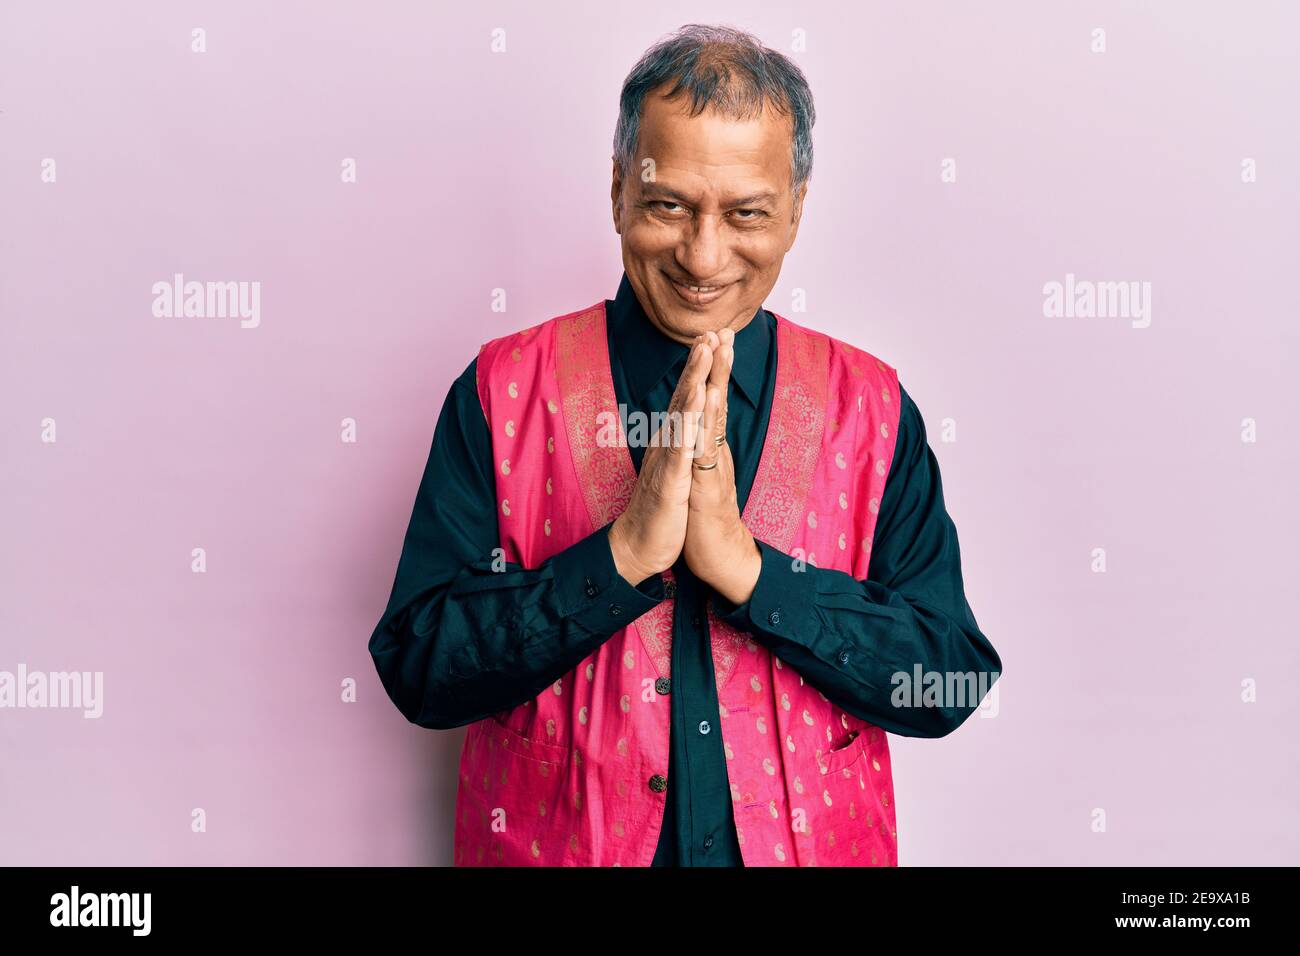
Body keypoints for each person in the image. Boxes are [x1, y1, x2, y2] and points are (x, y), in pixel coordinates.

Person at [368, 23, 1001, 867]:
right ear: (620, 188)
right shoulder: (501, 391)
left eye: (746, 214)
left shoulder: (872, 409)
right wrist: (621, 556)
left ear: (797, 208)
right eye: (669, 205)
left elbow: (948, 680)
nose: (704, 258)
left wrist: (751, 572)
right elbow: (417, 671)